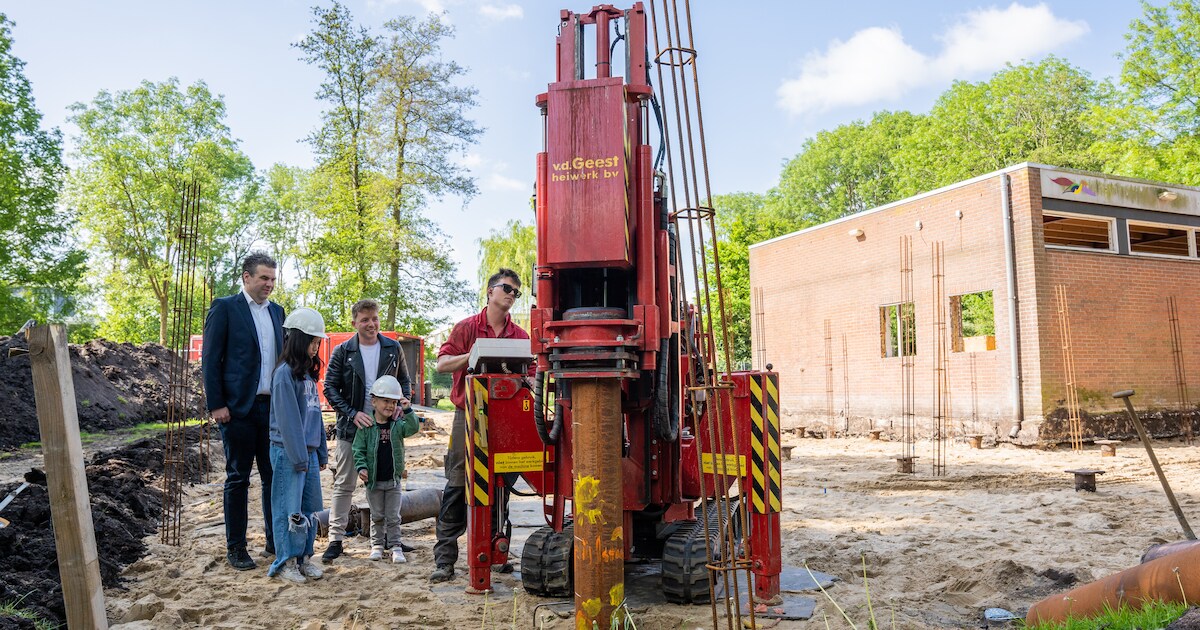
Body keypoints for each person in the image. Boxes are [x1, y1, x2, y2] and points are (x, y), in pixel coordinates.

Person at [430, 268, 533, 583]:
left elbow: (531, 375)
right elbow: (442, 363)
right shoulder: (467, 328)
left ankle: (495, 553)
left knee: (500, 484)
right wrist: (472, 355)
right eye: (506, 288)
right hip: (469, 416)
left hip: (507, 417)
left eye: (516, 291)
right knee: (458, 483)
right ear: (490, 292)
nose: (511, 294)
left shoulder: (520, 336)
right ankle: (445, 560)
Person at [202, 252, 284, 570]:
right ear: (246, 277)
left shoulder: (278, 312)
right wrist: (217, 404)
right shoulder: (225, 308)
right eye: (264, 278)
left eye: (273, 279)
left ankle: (274, 541)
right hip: (236, 410)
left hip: (271, 409)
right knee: (238, 478)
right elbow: (211, 359)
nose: (269, 284)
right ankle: (236, 548)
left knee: (272, 477)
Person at [321, 299, 414, 563]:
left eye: (374, 318)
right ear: (354, 323)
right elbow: (330, 388)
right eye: (365, 319)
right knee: (345, 484)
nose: (371, 324)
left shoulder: (393, 348)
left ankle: (390, 539)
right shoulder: (343, 351)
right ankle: (335, 539)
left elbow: (404, 381)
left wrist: (401, 405)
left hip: (387, 428)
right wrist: (352, 413)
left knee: (390, 483)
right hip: (353, 429)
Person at [266, 307, 330, 584]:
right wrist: (298, 457)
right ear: (298, 339)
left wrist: (322, 451)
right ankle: (285, 563)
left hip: (310, 453)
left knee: (309, 510)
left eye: (318, 342)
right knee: (287, 510)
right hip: (290, 453)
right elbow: (289, 421)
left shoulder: (307, 376)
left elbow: (315, 416)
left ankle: (304, 558)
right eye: (313, 341)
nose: (316, 347)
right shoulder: (283, 375)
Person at [352, 375, 421, 564]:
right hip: (373, 482)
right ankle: (377, 545)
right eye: (385, 401)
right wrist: (361, 467)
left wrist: (407, 410)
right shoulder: (366, 427)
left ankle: (396, 546)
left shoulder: (398, 425)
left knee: (393, 516)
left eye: (393, 402)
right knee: (377, 515)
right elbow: (358, 449)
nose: (390, 406)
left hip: (393, 481)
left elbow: (413, 428)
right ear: (373, 401)